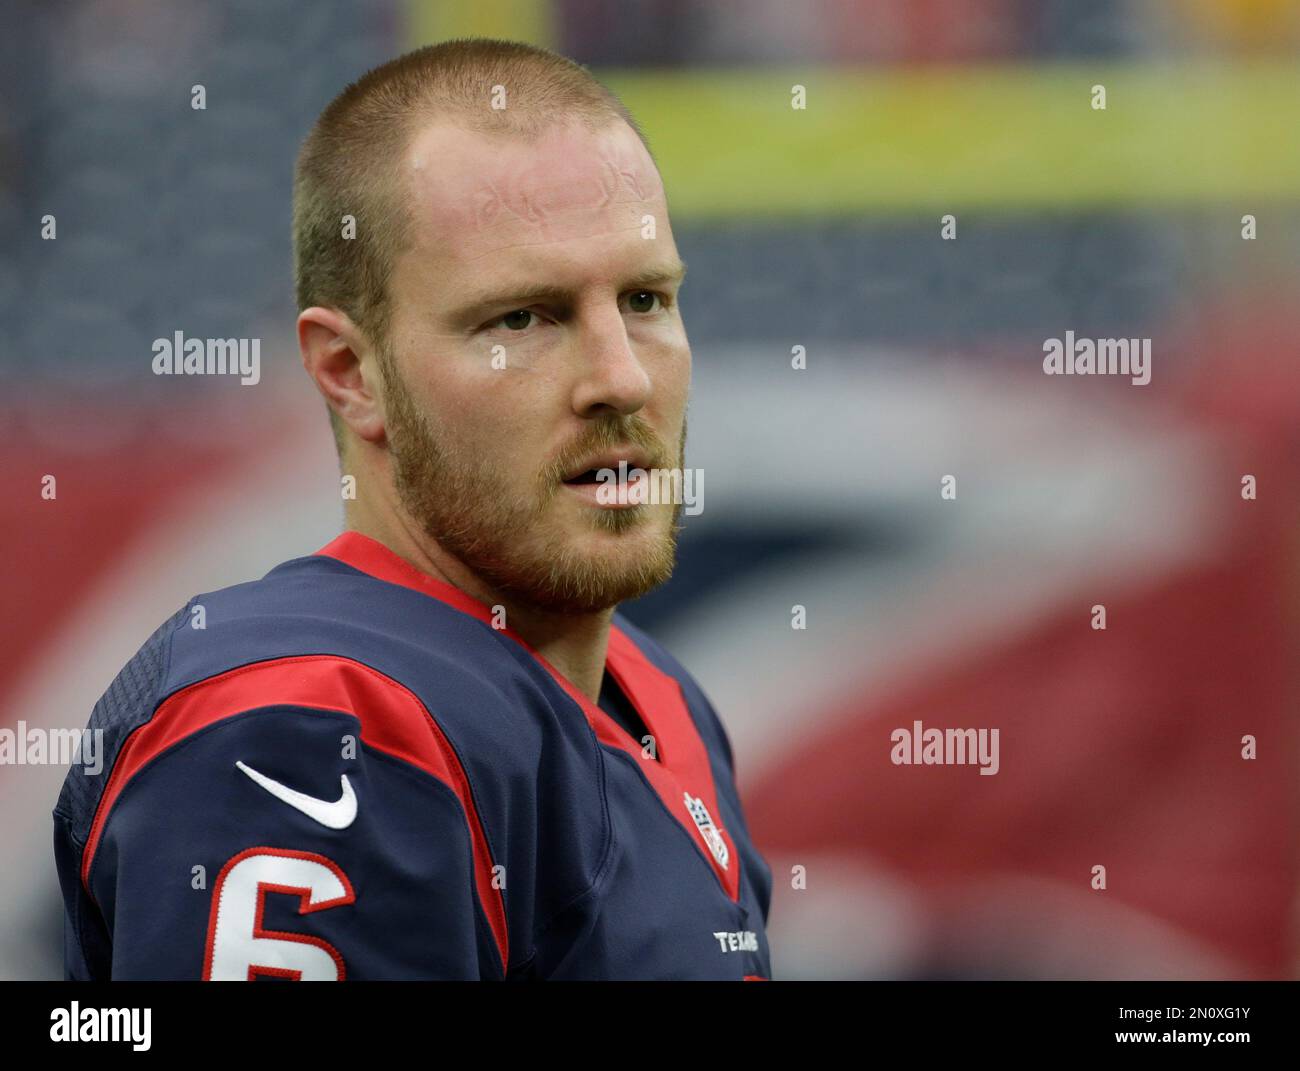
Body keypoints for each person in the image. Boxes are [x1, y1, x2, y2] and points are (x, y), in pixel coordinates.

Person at [52, 37, 773, 980]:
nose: (621, 377)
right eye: (523, 318)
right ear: (351, 372)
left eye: (645, 299)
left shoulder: (661, 692)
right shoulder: (310, 715)